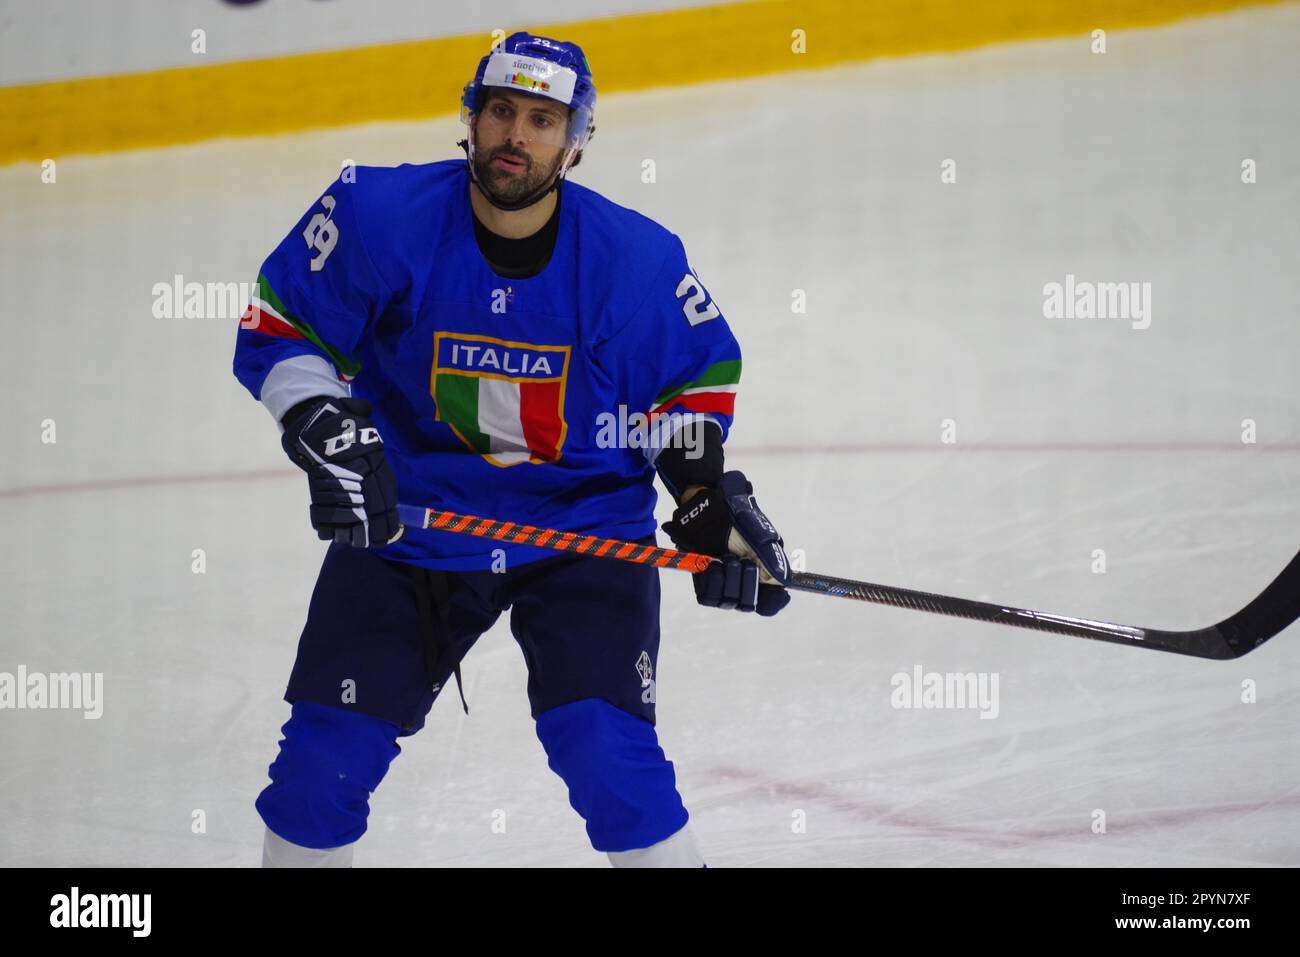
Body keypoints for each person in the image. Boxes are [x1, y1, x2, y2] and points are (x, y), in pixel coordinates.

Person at [233, 31, 791, 868]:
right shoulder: (379, 218)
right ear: (471, 118)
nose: (515, 136)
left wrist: (705, 497)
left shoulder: (634, 261)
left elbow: (686, 386)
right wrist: (322, 423)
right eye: (500, 111)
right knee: (320, 766)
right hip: (408, 528)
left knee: (607, 756)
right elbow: (286, 325)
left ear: (577, 141)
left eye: (541, 118)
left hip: (582, 532)